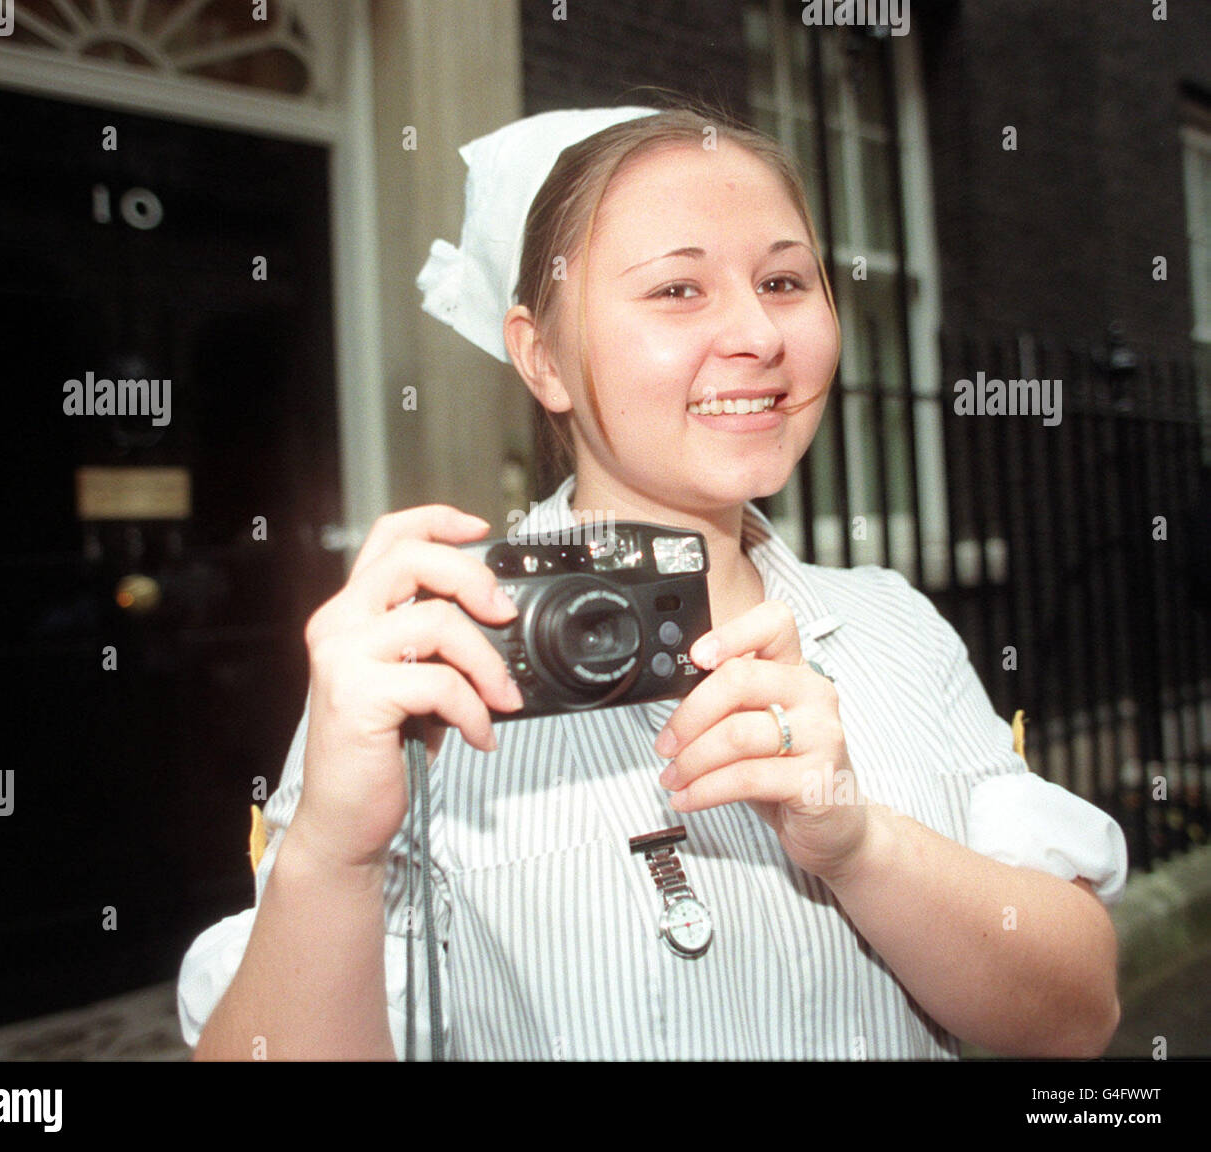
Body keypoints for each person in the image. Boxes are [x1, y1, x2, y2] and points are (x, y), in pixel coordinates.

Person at [177, 105, 1126, 1061]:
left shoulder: (897, 627)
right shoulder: (422, 668)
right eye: (678, 288)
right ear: (541, 356)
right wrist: (334, 857)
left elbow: (1077, 1019)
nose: (757, 332)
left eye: (785, 280)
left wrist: (858, 847)